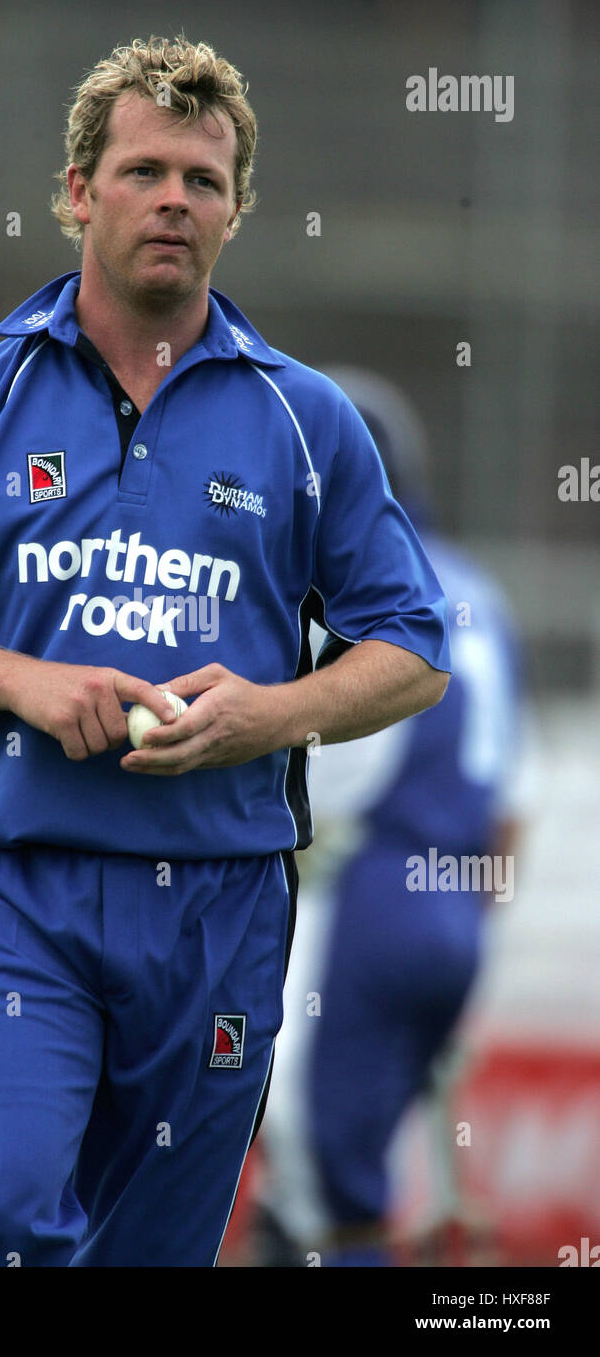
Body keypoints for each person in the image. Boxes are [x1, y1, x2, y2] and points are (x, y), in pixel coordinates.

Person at [0, 37, 450, 1268]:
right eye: (144, 171)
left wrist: (271, 711)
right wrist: (20, 681)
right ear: (80, 190)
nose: (173, 201)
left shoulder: (307, 423)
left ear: (235, 208)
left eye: (202, 179)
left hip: (220, 909)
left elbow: (411, 649)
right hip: (14, 891)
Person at [254, 367, 530, 1267]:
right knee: (369, 1165)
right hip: (455, 900)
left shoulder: (368, 589)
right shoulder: (478, 592)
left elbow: (326, 782)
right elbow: (511, 813)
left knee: (319, 1176)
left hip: (371, 891)